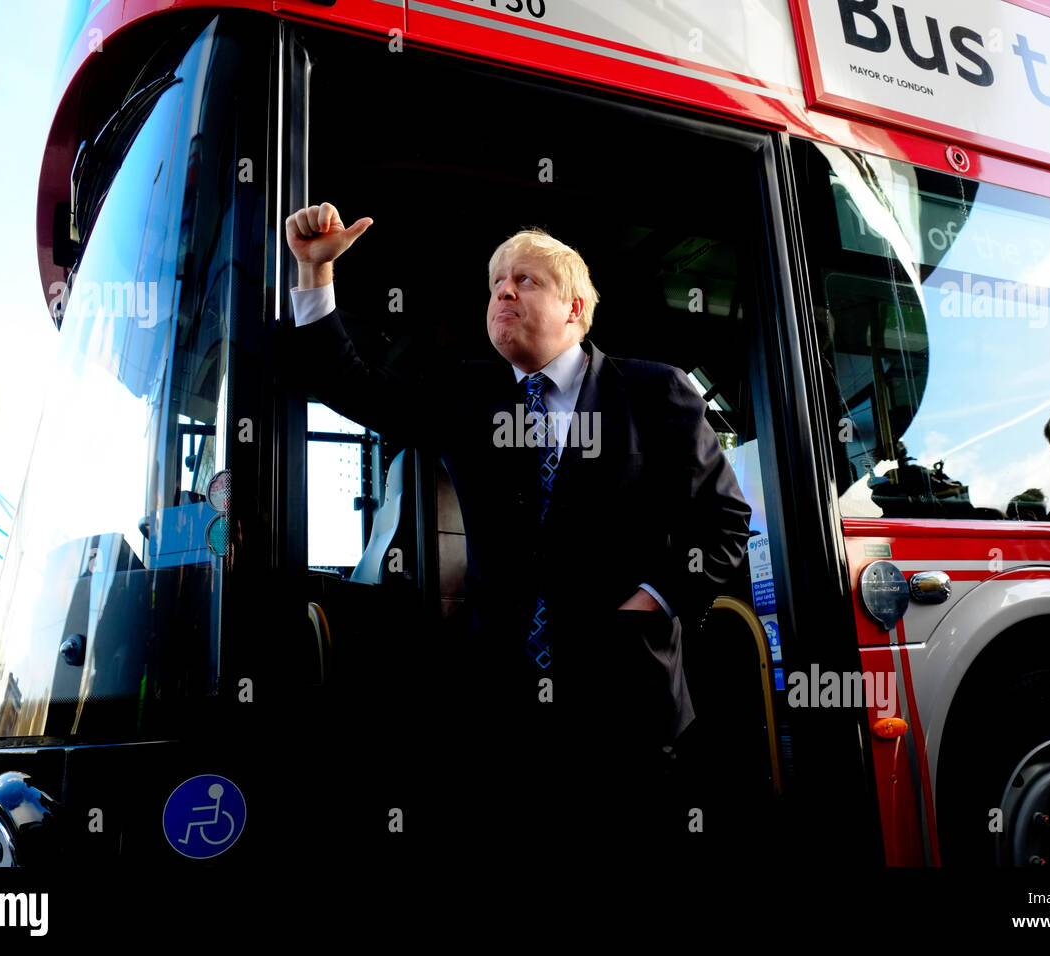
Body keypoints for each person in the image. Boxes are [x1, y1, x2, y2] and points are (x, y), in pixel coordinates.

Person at [284, 202, 752, 837]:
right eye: (495, 283)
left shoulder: (656, 391)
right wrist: (315, 277)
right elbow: (353, 387)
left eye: (525, 280)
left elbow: (723, 525)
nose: (503, 290)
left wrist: (650, 601)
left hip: (629, 707)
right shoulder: (464, 395)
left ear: (575, 309)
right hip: (499, 710)